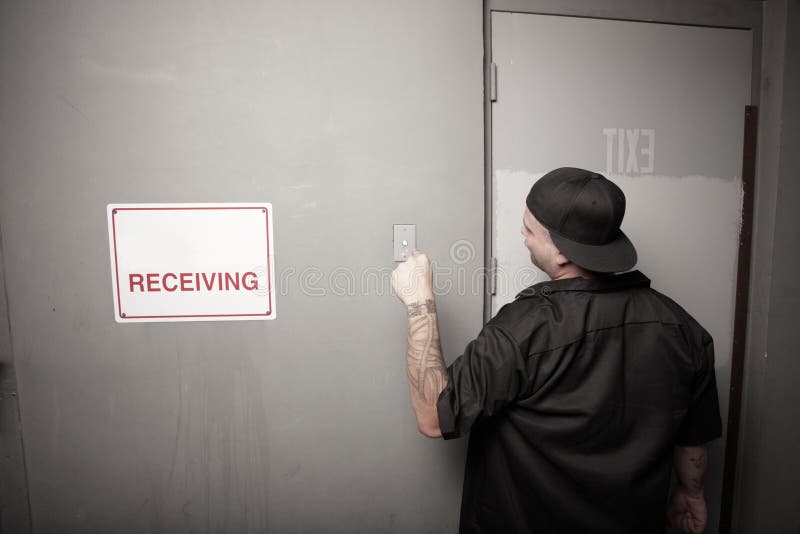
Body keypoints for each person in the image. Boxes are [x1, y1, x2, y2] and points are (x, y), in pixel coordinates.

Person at [391, 167, 722, 534]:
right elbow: (692, 438)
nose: (523, 234)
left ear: (562, 253)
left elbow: (433, 416)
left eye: (530, 230)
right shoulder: (683, 329)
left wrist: (419, 302)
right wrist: (692, 493)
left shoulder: (523, 330)